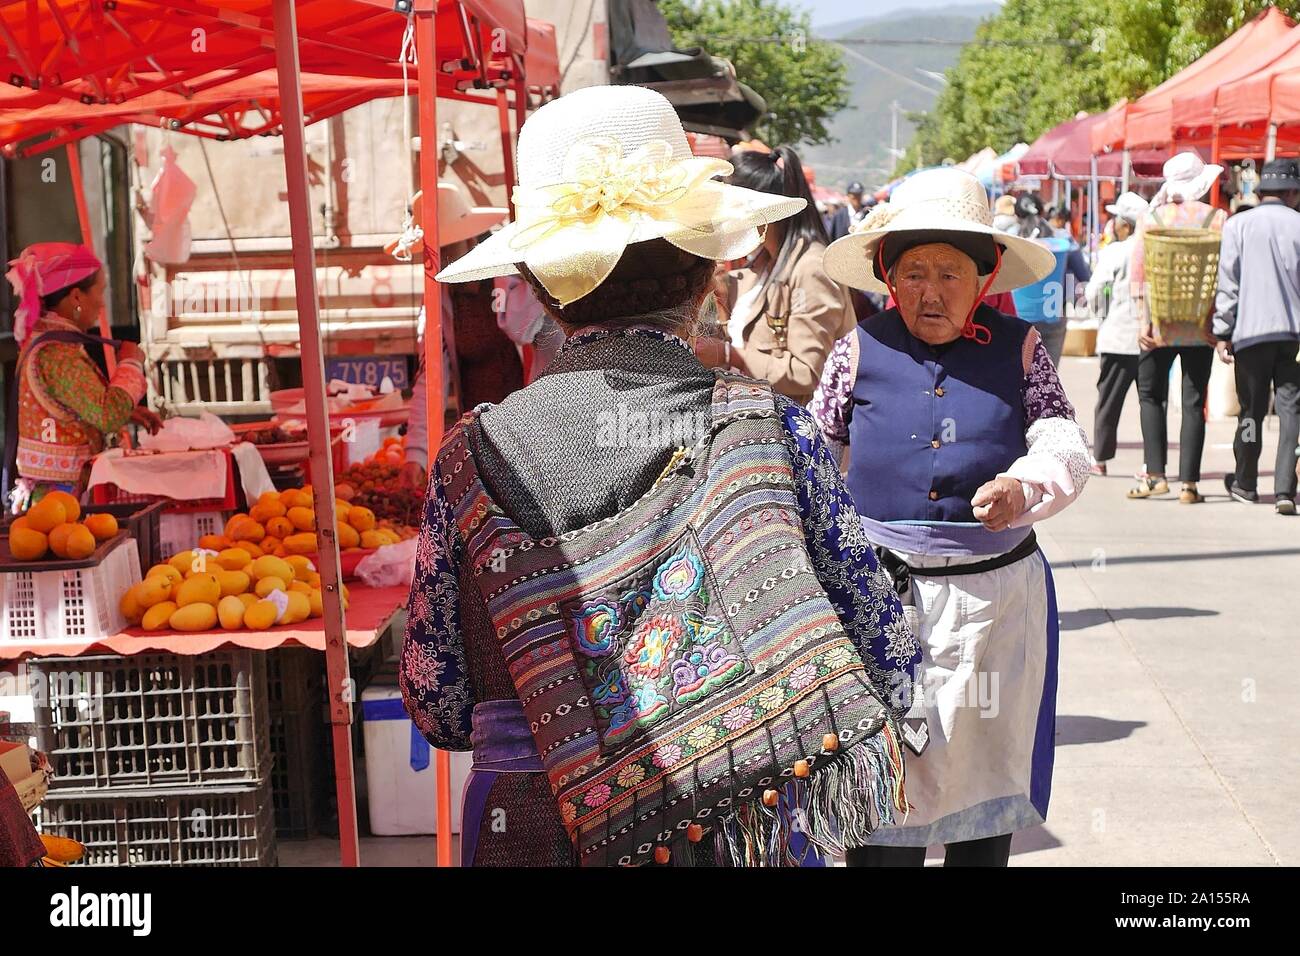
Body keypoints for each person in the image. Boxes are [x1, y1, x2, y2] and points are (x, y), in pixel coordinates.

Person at [400, 85, 919, 868]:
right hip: (740, 828)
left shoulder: (472, 459)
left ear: (541, 292)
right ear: (710, 273)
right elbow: (891, 662)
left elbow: (437, 704)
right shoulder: (772, 432)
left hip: (532, 835)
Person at [817, 167, 1092, 866]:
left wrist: (1024, 490)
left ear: (985, 276)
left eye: (949, 272)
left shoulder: (1021, 348)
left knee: (981, 792)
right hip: (883, 603)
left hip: (992, 605)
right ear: (886, 275)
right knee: (884, 801)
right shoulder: (857, 351)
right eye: (912, 273)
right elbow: (814, 454)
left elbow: (1062, 440)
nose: (930, 291)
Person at [5, 242, 160, 512]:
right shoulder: (56, 353)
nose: (101, 303)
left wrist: (129, 411)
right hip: (58, 504)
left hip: (54, 500)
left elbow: (75, 404)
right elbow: (108, 414)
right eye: (99, 292)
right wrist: (130, 364)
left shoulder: (48, 342)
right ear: (76, 297)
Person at [712, 146, 855, 404]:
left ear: (758, 209)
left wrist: (727, 355)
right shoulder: (763, 264)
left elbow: (807, 372)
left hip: (793, 433)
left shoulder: (811, 268)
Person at [1128, 152, 1226, 504]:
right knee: (1193, 400)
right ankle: (1190, 485)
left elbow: (1138, 276)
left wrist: (1143, 320)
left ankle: (1155, 475)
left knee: (1151, 397)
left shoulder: (1150, 218)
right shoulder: (1218, 220)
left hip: (1159, 327)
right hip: (1201, 326)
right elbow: (1224, 277)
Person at [1214, 158, 1300, 515]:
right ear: (1293, 193)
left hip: (1249, 334)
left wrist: (1222, 329)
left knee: (1250, 411)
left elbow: (1228, 282)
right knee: (1290, 409)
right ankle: (1284, 489)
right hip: (1293, 335)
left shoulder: (1238, 225)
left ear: (1262, 191)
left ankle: (1246, 482)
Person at [1086, 191, 1149, 476]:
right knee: (1151, 404)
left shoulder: (1116, 251)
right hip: (1150, 339)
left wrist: (1101, 315)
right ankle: (1153, 465)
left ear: (1125, 224)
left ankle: (1100, 458)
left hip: (1119, 335)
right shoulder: (1152, 248)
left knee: (1109, 401)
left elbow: (1095, 291)